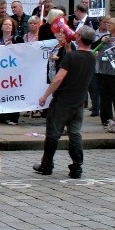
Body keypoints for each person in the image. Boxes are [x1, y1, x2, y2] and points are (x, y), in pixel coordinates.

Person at [34, 26, 97, 179]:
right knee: (75, 134)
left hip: (63, 101)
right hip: (79, 101)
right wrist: (69, 48)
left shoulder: (71, 57)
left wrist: (45, 95)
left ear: (80, 38)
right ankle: (77, 167)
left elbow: (59, 78)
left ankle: (46, 165)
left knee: (53, 135)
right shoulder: (92, 57)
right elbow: (76, 63)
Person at [94, 17, 115, 125]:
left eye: (111, 23)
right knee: (104, 96)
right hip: (101, 69)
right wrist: (100, 40)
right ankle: (106, 119)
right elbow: (93, 47)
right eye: (107, 23)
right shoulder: (105, 37)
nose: (108, 25)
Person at [0, 18, 21, 125]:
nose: (7, 26)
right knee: (1, 93)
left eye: (10, 25)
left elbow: (22, 52)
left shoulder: (17, 39)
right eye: (5, 24)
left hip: (13, 72)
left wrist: (12, 47)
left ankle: (13, 117)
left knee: (13, 94)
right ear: (1, 27)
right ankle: (1, 116)